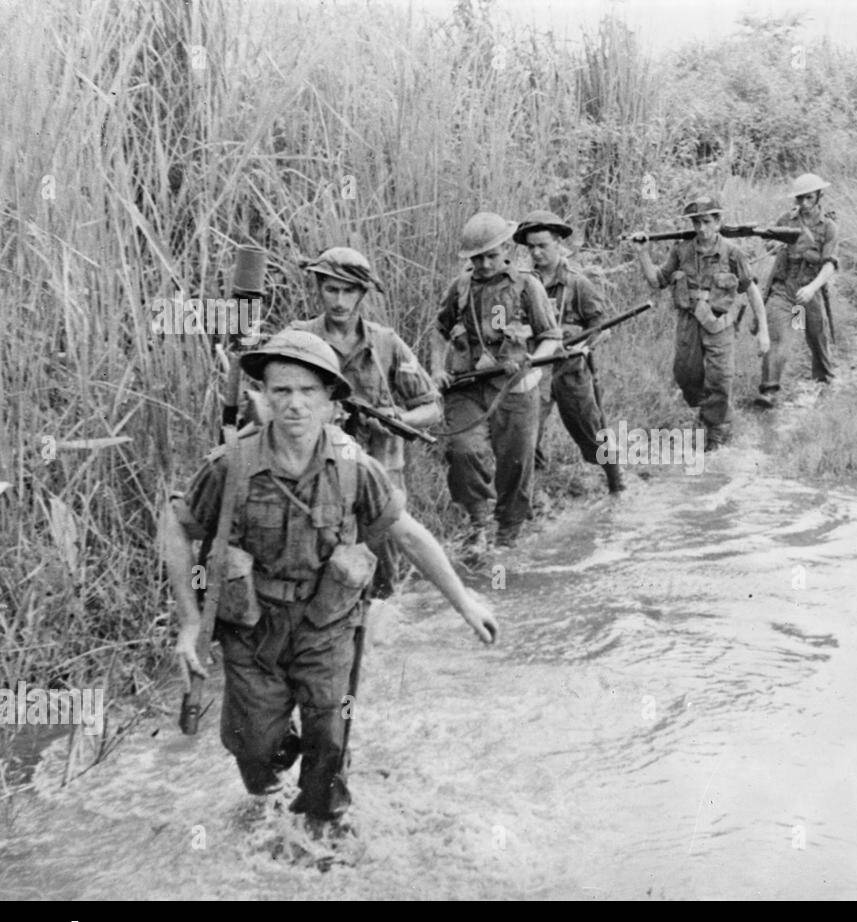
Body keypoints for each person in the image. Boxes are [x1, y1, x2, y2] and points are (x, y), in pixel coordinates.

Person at [161, 331, 497, 828]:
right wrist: (189, 623)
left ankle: (321, 836)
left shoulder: (354, 467)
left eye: (307, 392)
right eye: (281, 391)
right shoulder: (232, 465)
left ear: (330, 402)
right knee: (255, 750)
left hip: (327, 626)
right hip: (252, 628)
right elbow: (176, 523)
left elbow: (407, 534)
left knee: (329, 742)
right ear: (263, 396)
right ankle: (274, 800)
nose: (294, 405)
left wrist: (465, 602)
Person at [288, 246, 444, 598]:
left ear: (361, 294)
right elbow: (273, 402)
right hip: (317, 473)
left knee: (382, 570)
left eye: (348, 291)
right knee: (319, 568)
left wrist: (399, 418)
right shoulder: (300, 340)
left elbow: (432, 408)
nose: (339, 301)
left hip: (380, 471)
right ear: (319, 289)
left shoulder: (386, 342)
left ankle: (378, 639)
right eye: (331, 289)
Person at [435, 212, 563, 550]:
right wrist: (437, 369)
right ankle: (478, 523)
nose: (486, 263)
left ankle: (508, 533)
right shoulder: (460, 287)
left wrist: (530, 360)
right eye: (478, 258)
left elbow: (552, 336)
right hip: (467, 386)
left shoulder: (526, 285)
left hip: (514, 388)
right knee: (463, 451)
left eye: (492, 255)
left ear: (505, 249)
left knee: (515, 464)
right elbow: (440, 330)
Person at [629, 195, 769, 451]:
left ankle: (715, 429)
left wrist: (764, 332)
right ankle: (706, 412)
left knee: (719, 377)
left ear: (718, 222)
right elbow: (657, 281)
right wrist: (643, 254)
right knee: (685, 374)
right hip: (689, 322)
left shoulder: (733, 253)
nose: (701, 229)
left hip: (719, 324)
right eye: (697, 223)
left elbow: (751, 291)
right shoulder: (681, 251)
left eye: (706, 222)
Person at [513, 210, 624, 495]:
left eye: (543, 245)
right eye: (531, 247)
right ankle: (534, 491)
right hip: (537, 373)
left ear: (559, 243)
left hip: (572, 372)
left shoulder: (577, 283)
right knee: (525, 435)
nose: (536, 252)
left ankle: (615, 481)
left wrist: (583, 345)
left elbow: (600, 326)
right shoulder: (521, 283)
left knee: (592, 434)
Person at [755, 173, 840, 407]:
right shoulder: (787, 219)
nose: (803, 204)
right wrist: (777, 244)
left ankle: (824, 381)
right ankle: (769, 391)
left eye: (808, 198)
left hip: (809, 291)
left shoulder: (829, 227)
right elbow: (769, 244)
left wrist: (813, 288)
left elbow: (830, 264)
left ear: (819, 196)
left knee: (815, 337)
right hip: (784, 290)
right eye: (799, 199)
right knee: (779, 338)